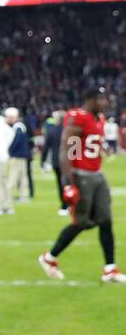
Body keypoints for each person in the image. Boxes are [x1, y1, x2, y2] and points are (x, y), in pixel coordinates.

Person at [38, 88, 126, 283]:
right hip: (82, 176)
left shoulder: (99, 119)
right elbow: (68, 149)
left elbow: (86, 145)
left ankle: (110, 269)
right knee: (81, 222)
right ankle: (49, 258)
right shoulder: (78, 117)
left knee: (105, 220)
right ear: (90, 99)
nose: (105, 103)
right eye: (101, 99)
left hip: (97, 174)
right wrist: (68, 183)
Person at [5, 107, 31, 202]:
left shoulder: (18, 127)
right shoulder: (21, 126)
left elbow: (17, 141)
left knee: (13, 175)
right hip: (22, 155)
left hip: (17, 155)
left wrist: (10, 150)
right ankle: (24, 195)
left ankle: (7, 195)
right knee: (23, 176)